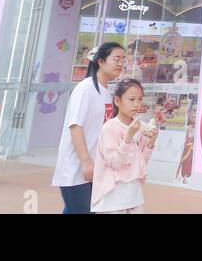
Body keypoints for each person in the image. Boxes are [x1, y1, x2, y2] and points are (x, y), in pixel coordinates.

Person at [52, 40, 125, 214]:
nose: (121, 64)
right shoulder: (85, 89)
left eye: (123, 60)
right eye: (116, 59)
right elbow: (75, 126)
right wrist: (85, 162)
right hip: (77, 169)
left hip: (95, 169)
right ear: (100, 61)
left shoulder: (106, 91)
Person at [91, 78, 156, 214]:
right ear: (117, 101)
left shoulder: (140, 126)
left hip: (134, 194)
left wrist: (151, 143)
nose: (136, 104)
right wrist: (128, 137)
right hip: (113, 194)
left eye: (140, 99)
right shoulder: (109, 127)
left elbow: (141, 164)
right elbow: (115, 163)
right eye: (131, 99)